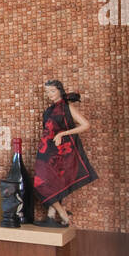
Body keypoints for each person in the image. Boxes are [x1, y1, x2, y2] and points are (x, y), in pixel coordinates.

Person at [33, 79, 97, 226]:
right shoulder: (51, 109)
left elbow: (85, 125)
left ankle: (62, 213)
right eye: (48, 91)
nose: (50, 94)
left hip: (59, 152)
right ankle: (50, 216)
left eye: (52, 91)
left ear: (60, 91)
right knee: (51, 182)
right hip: (46, 150)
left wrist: (63, 134)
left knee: (42, 182)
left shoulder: (67, 106)